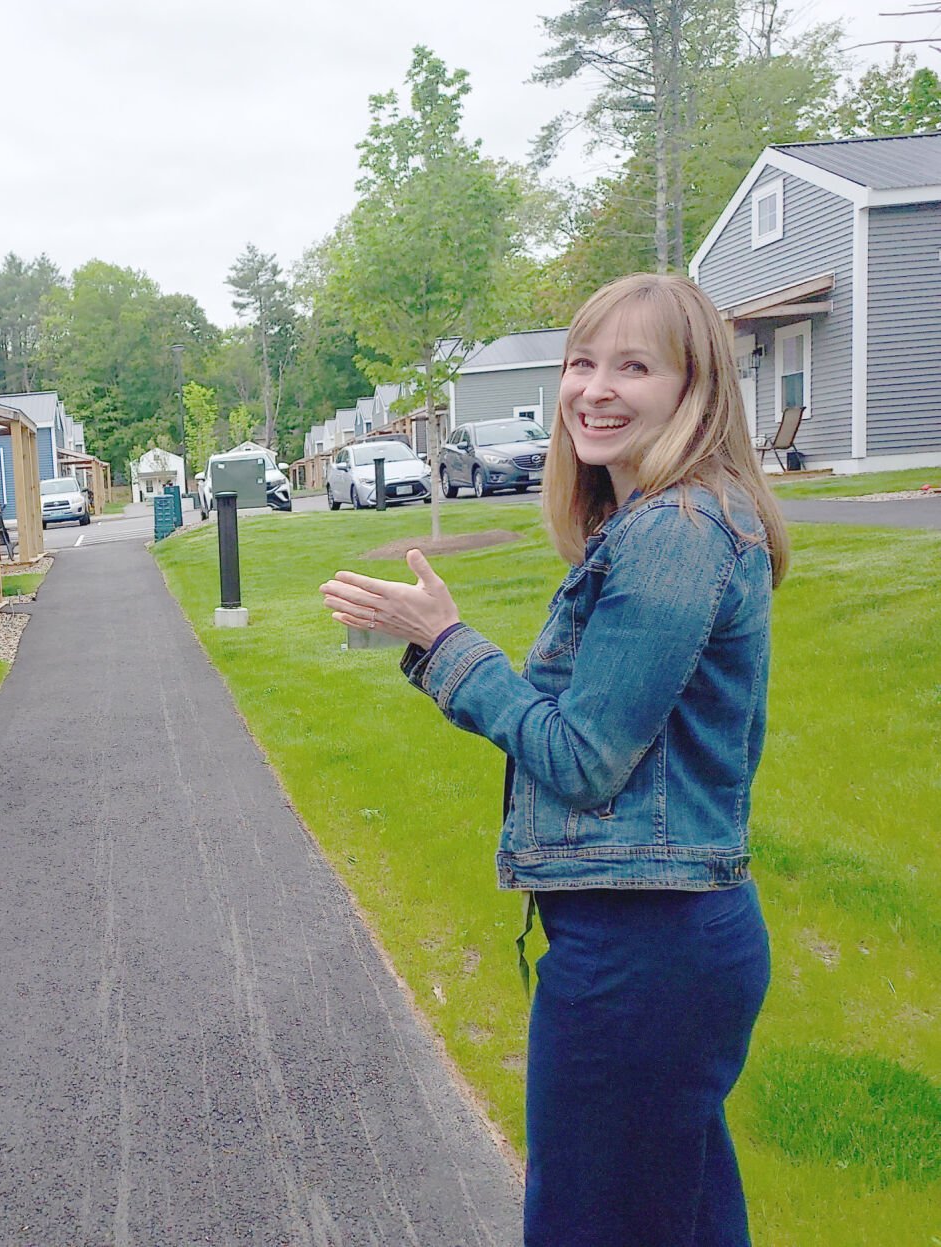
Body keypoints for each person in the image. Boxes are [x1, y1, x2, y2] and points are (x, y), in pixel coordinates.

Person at [321, 273, 786, 1247]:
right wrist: (440, 643)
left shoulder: (674, 534)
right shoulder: (666, 522)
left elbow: (582, 759)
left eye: (634, 366)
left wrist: (448, 645)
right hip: (657, 937)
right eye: (583, 362)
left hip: (643, 953)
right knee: (680, 1217)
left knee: (590, 1223)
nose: (595, 389)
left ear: (694, 388)